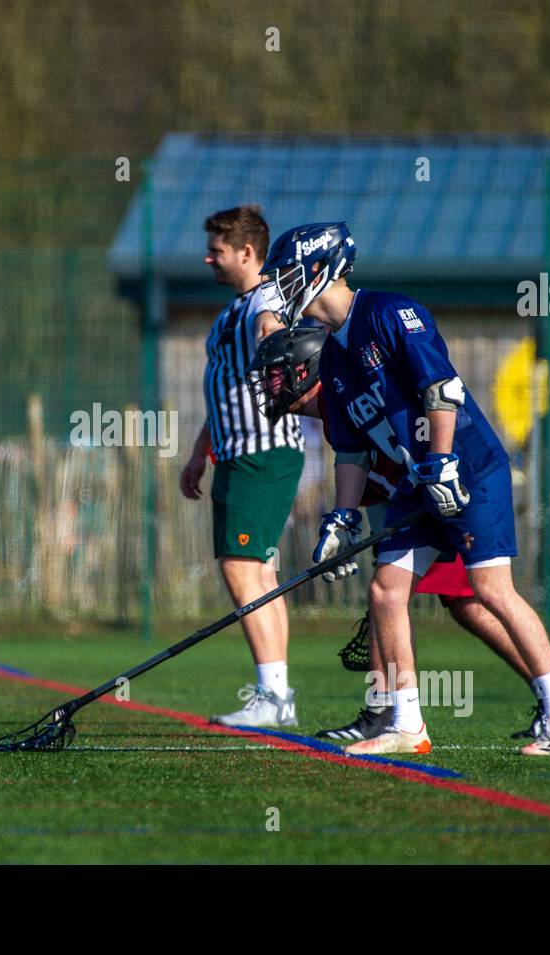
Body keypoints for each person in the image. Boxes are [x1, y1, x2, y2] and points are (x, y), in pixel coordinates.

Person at [254, 221, 550, 756]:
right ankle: (407, 723)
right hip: (417, 480)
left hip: (466, 467)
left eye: (288, 274)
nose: (280, 287)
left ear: (323, 268)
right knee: (386, 589)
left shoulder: (388, 313)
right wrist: (340, 519)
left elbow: (442, 388)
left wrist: (443, 463)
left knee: (489, 591)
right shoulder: (334, 358)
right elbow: (353, 450)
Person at [178, 205, 303, 728]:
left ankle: (271, 694)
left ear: (247, 253)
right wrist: (198, 453)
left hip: (263, 452)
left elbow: (272, 337)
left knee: (240, 567)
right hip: (234, 452)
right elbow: (225, 389)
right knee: (262, 573)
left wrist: (275, 348)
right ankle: (280, 696)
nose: (208, 258)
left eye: (218, 251)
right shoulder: (232, 308)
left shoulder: (264, 301)